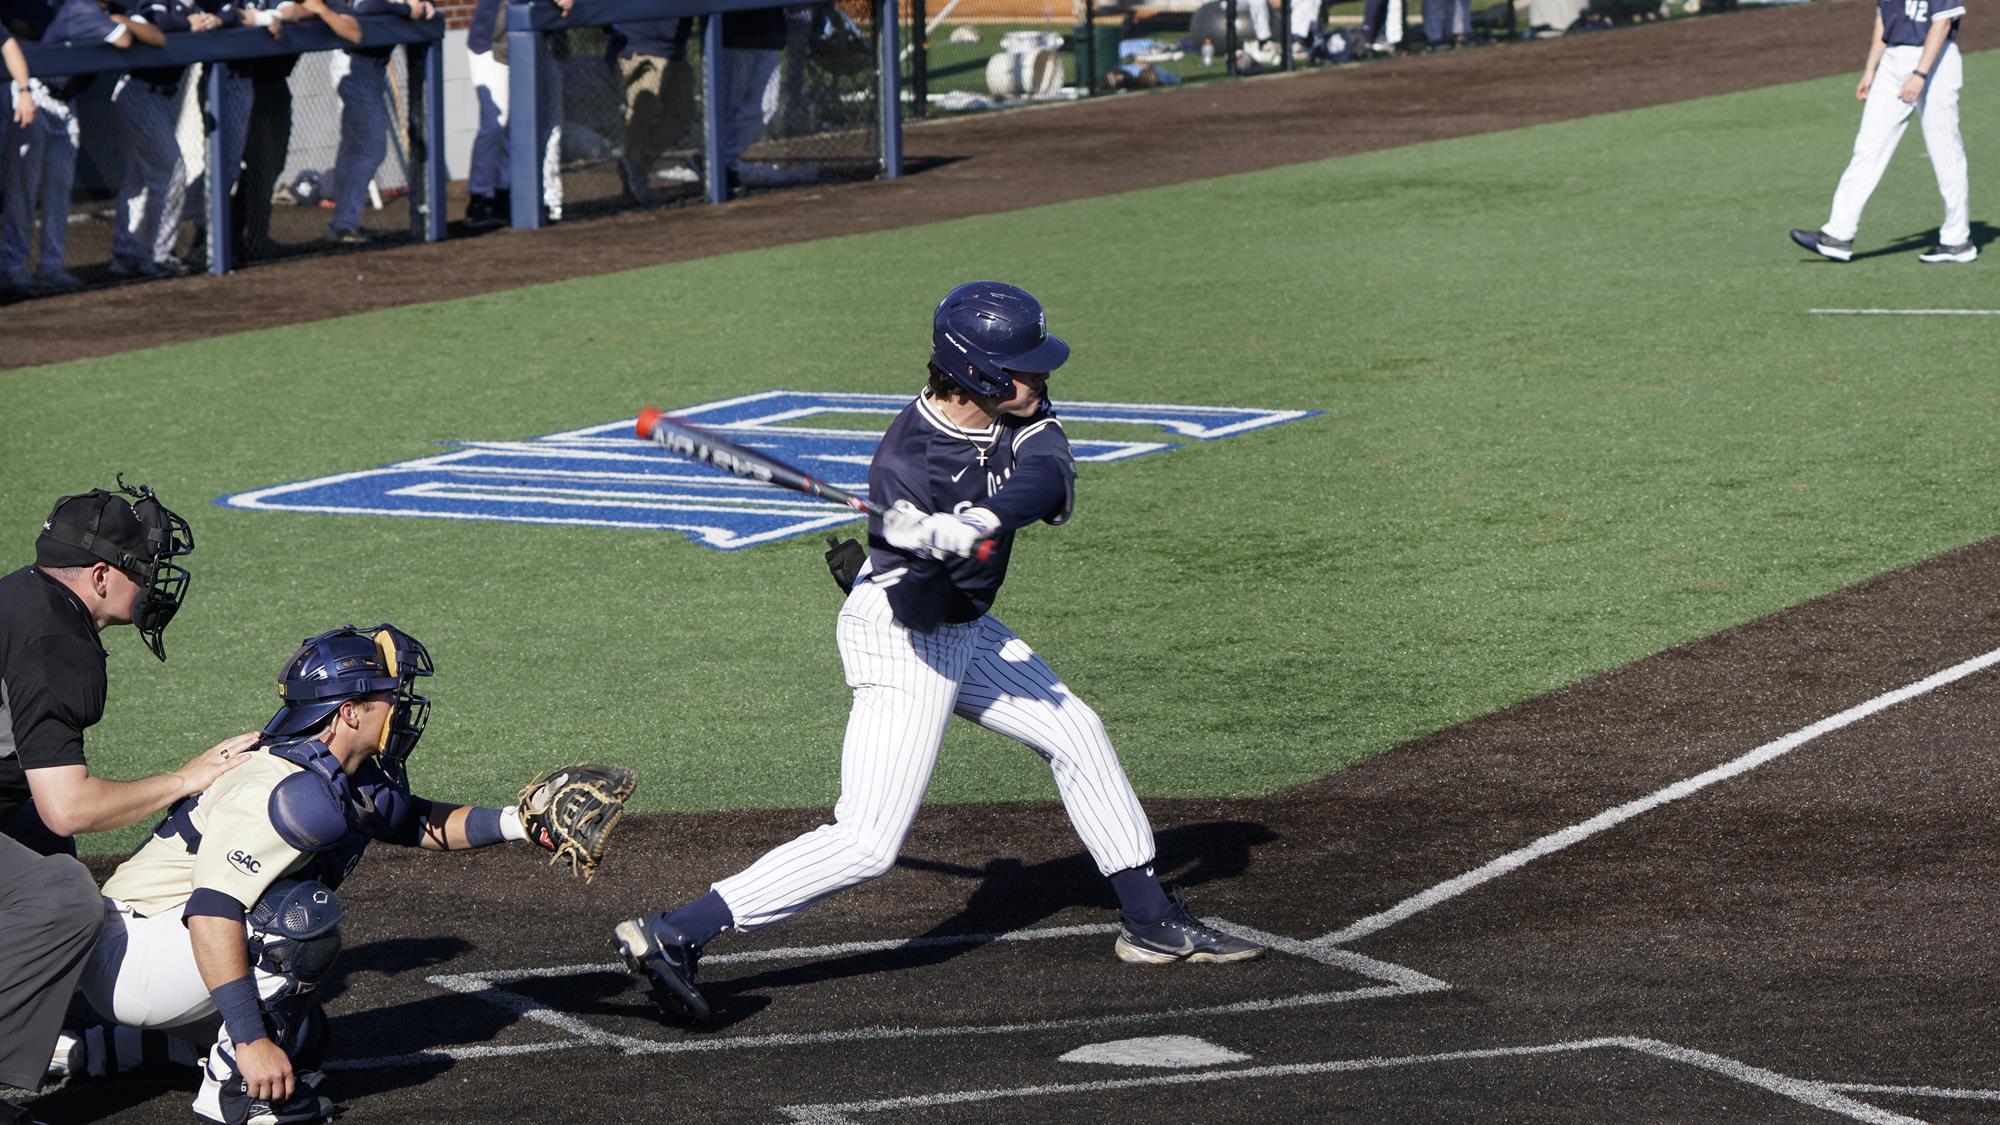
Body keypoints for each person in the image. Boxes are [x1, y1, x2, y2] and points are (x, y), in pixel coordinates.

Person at [614, 281, 1264, 1027]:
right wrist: (927, 553)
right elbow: (917, 610)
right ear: (979, 372)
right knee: (866, 841)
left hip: (963, 626)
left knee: (1076, 731)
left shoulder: (1018, 413)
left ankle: (1149, 917)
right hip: (904, 637)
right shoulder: (904, 467)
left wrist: (981, 518)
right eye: (1023, 366)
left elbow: (1049, 474)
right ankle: (673, 932)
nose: (1041, 378)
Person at [67, 624, 572, 1124]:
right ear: (349, 711)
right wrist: (250, 1040)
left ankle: (129, 1051)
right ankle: (235, 1097)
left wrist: (520, 823)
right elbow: (211, 912)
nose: (402, 708)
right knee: (297, 925)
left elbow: (415, 820)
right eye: (388, 696)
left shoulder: (336, 771)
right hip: (134, 954)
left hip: (162, 946)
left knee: (305, 1041)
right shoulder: (283, 790)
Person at [1, 483, 251, 1125]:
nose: (154, 586)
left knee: (35, 841)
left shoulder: (24, 595)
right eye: (144, 571)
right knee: (59, 897)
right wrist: (185, 778)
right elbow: (71, 806)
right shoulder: (56, 644)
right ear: (102, 576)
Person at [1788, 0, 1973, 264]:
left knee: (1944, 150)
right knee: (1868, 147)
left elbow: (1942, 22)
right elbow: (1883, 20)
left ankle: (1957, 240)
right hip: (1893, 61)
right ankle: (1837, 236)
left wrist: (1920, 74)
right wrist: (1870, 69)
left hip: (1935, 61)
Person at [2, 0, 160, 293]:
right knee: (23, 189)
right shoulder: (80, 8)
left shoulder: (102, 11)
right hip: (37, 96)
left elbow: (156, 37)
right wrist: (120, 21)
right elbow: (124, 39)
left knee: (59, 188)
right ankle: (13, 268)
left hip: (66, 101)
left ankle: (51, 265)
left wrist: (118, 18)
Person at [231, 0, 358, 259]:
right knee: (245, 166)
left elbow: (342, 21)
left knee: (272, 164)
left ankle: (251, 238)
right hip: (242, 83)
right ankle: (221, 239)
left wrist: (305, 12)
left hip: (275, 84)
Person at [108, 0, 224, 278]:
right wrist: (189, 23)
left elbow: (227, 14)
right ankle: (158, 255)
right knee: (172, 172)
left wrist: (212, 20)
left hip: (163, 97)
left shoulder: (193, 6)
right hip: (140, 91)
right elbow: (155, 22)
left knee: (138, 177)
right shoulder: (162, 3)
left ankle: (127, 254)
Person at [324, 0, 434, 244]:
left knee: (355, 148)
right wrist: (405, 9)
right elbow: (365, 7)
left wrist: (424, 4)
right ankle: (343, 224)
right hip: (354, 64)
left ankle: (343, 224)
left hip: (374, 67)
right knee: (372, 147)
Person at [463, 0, 567, 227]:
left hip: (532, 44)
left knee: (516, 126)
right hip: (491, 45)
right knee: (495, 123)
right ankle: (479, 197)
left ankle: (503, 193)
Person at [607, 15, 693, 206]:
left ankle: (636, 166)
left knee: (682, 113)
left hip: (675, 48)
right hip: (640, 46)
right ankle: (635, 182)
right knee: (640, 118)